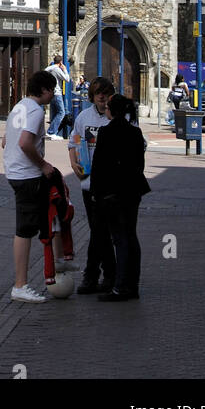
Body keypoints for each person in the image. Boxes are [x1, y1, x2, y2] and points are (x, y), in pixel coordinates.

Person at [3, 70, 63, 303]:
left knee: (52, 214)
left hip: (15, 172)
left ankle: (60, 261)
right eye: (53, 90)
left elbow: (5, 140)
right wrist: (43, 163)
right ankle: (21, 284)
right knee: (27, 229)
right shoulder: (37, 111)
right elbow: (24, 142)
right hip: (29, 175)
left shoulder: (18, 106)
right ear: (45, 89)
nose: (53, 96)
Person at [90, 93, 151, 301]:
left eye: (107, 108)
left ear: (112, 111)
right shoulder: (135, 132)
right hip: (133, 191)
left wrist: (96, 193)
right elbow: (139, 165)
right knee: (131, 236)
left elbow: (99, 166)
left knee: (120, 238)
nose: (104, 110)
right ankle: (133, 285)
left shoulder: (107, 132)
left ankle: (121, 286)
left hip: (113, 193)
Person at [68, 76, 117, 295]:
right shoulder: (84, 117)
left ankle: (95, 275)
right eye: (99, 93)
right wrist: (74, 163)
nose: (102, 97)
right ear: (92, 96)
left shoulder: (116, 117)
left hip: (111, 185)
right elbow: (74, 142)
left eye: (106, 93)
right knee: (99, 231)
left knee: (101, 231)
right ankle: (106, 274)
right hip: (89, 184)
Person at [46, 54, 70, 137]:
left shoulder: (49, 69)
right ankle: (51, 132)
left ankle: (52, 133)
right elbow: (67, 79)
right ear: (60, 63)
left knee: (53, 113)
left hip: (51, 93)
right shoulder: (57, 70)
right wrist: (65, 70)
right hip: (57, 93)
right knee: (61, 112)